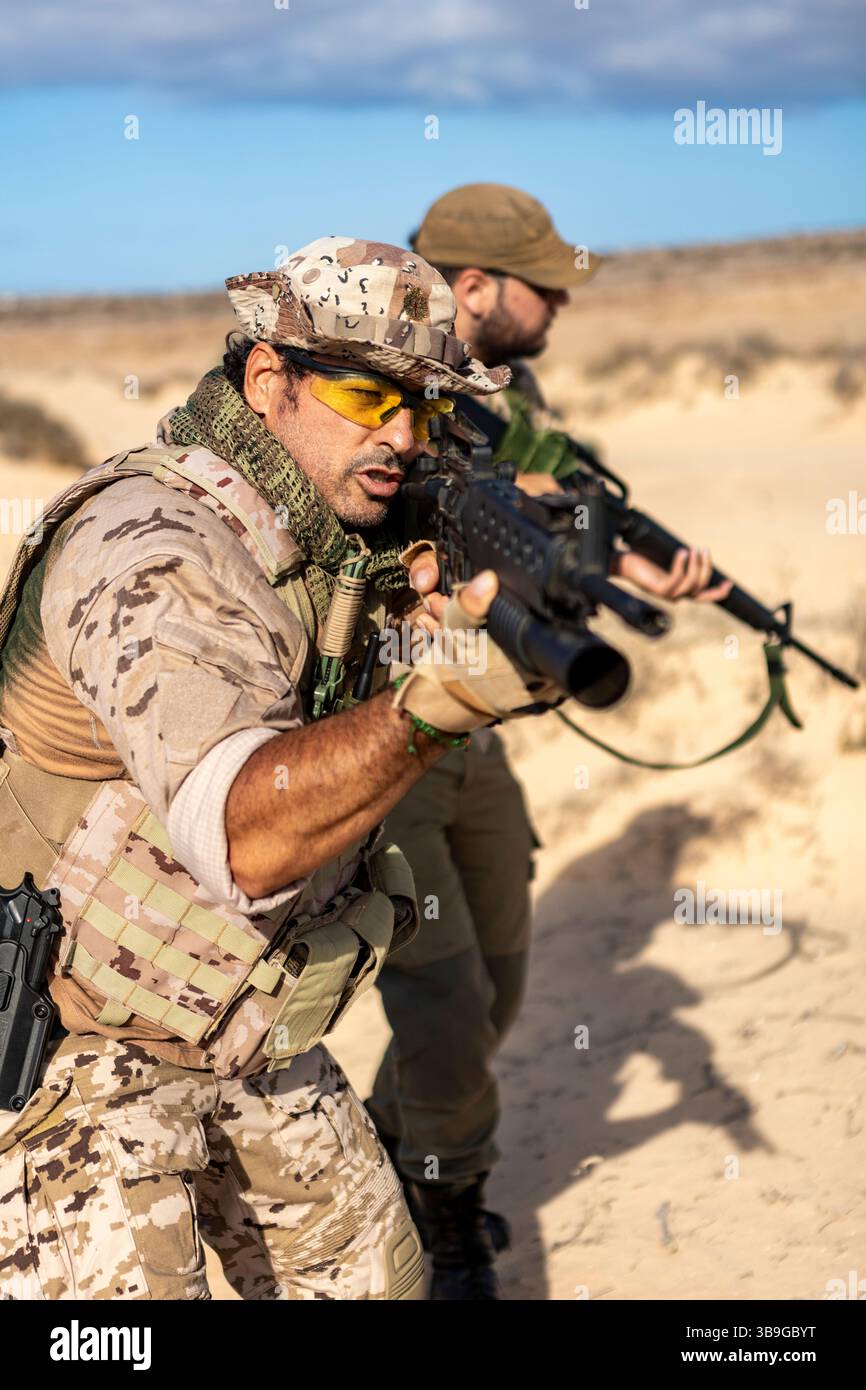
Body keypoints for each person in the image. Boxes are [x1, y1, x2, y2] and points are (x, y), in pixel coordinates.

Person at [0, 237, 563, 1301]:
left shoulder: (337, 527)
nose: (400, 434)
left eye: (427, 408)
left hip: (249, 1022)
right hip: (77, 1056)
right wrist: (445, 692)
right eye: (366, 395)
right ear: (269, 380)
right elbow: (245, 843)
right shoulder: (154, 549)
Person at [368, 186, 731, 1299]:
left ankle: (393, 1153)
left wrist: (608, 558)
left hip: (480, 725)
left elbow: (553, 499)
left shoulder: (508, 392)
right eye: (545, 287)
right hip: (383, 729)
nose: (561, 307)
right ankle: (444, 1215)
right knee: (440, 997)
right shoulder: (372, 376)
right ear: (471, 286)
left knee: (498, 987)